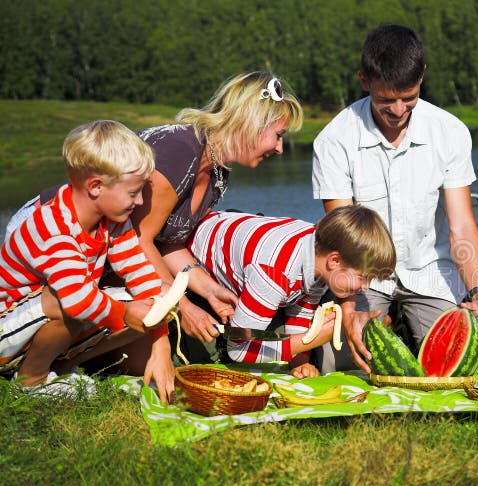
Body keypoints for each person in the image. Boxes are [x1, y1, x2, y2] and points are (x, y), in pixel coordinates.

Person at [5, 72, 304, 349]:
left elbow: (168, 240)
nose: (279, 148)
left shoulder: (217, 171)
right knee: (118, 316)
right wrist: (182, 307)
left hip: (107, 256)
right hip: (57, 238)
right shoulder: (180, 151)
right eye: (278, 135)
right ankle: (31, 372)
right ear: (251, 124)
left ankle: (63, 365)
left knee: (136, 335)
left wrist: (209, 290)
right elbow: (138, 238)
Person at [311, 24, 478, 374]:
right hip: (362, 276)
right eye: (385, 101)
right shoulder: (332, 141)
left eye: (408, 99)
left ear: (422, 75)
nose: (397, 110)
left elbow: (462, 227)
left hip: (431, 271)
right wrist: (348, 312)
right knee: (345, 362)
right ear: (364, 81)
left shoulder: (450, 132)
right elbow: (342, 241)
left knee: (460, 361)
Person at [0, 120, 174, 402]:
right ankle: (29, 380)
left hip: (35, 330)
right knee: (66, 301)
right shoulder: (53, 227)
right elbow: (76, 299)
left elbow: (140, 273)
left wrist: (161, 342)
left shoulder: (113, 222)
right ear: (95, 186)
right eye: (133, 192)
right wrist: (126, 313)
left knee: (158, 296)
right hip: (6, 329)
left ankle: (59, 366)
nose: (140, 201)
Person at [186, 205, 396, 378]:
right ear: (335, 260)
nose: (365, 287)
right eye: (363, 277)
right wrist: (315, 338)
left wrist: (299, 361)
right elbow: (239, 349)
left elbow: (300, 309)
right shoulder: (273, 273)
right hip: (190, 255)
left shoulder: (320, 254)